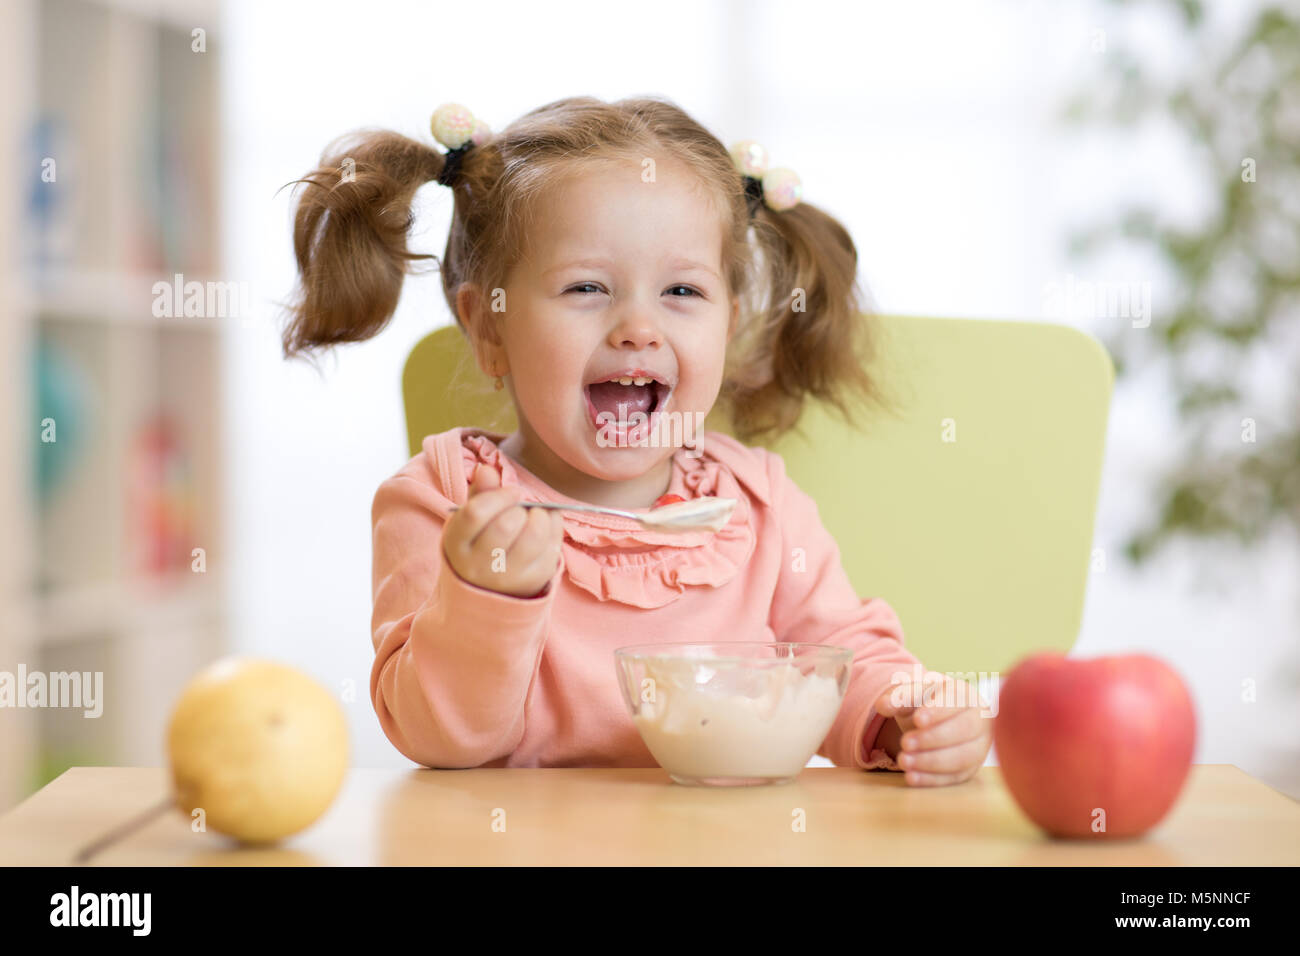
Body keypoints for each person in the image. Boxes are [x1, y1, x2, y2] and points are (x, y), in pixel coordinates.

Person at [282, 96, 991, 783]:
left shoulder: (759, 503)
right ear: (489, 327)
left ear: (727, 324)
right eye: (587, 288)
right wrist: (484, 600)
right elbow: (439, 739)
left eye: (682, 292)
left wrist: (904, 715)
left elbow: (841, 657)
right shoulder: (442, 504)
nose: (638, 329)